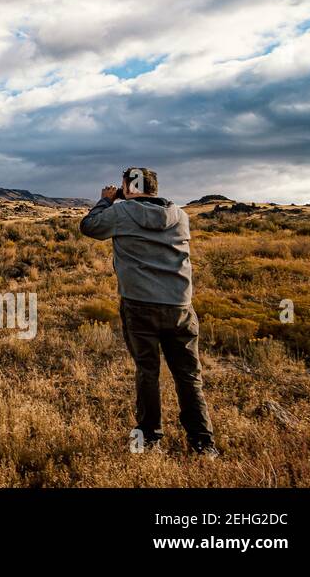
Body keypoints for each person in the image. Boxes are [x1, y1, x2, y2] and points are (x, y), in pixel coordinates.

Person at [79, 167, 218, 456]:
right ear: (154, 188)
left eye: (123, 187)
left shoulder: (121, 212)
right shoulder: (180, 215)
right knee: (189, 375)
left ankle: (149, 437)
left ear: (128, 188)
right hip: (180, 307)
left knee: (148, 372)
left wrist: (107, 200)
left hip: (139, 306)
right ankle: (203, 443)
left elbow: (89, 226)